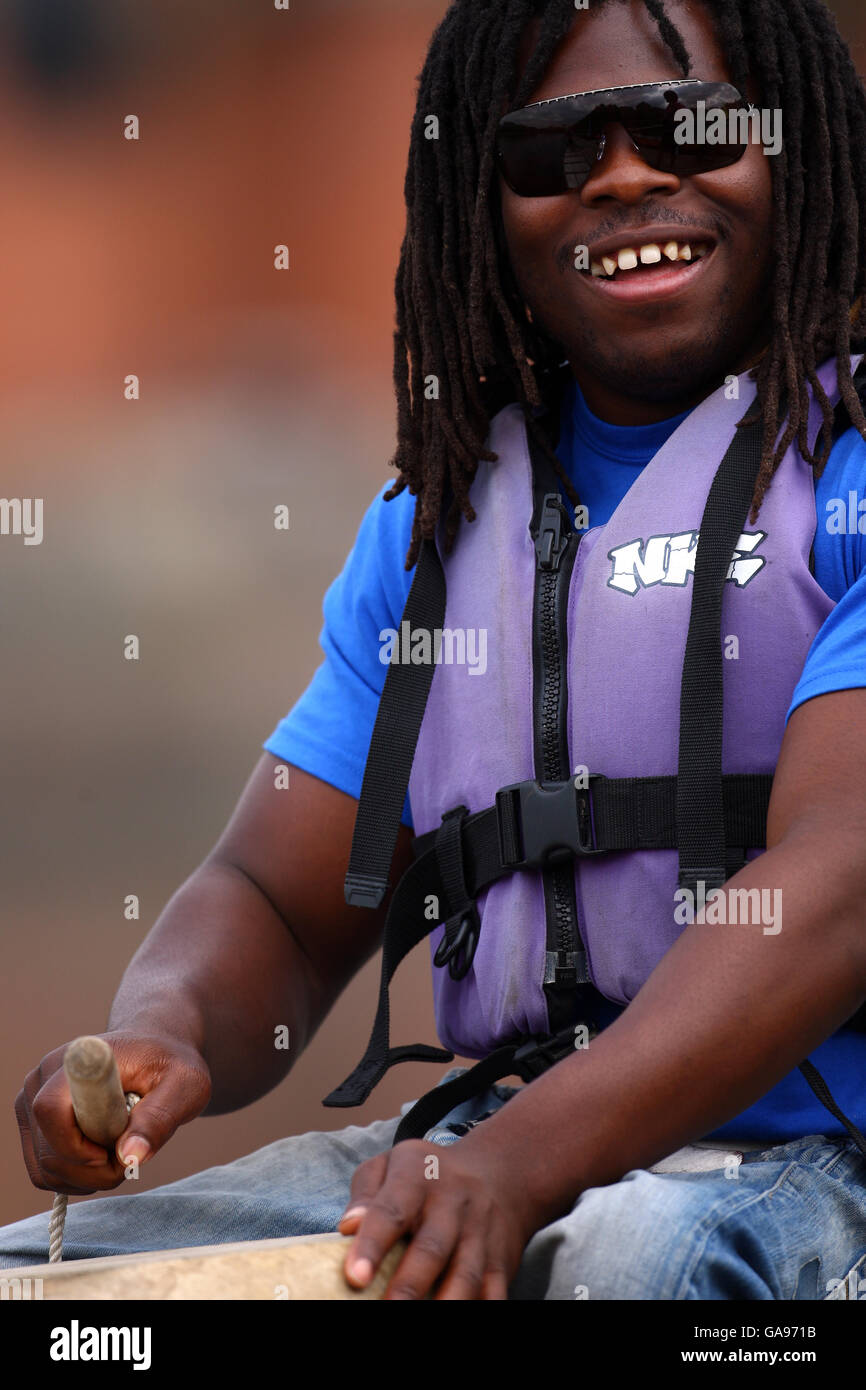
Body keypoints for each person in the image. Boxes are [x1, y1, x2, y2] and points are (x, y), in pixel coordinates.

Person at [4, 0, 866, 1302]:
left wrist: (520, 1164)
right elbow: (275, 896)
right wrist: (160, 1029)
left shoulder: (849, 467)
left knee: (620, 1262)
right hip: (496, 1137)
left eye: (691, 128)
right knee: (52, 1291)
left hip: (818, 1158)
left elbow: (838, 880)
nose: (622, 178)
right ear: (485, 206)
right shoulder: (436, 525)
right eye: (554, 150)